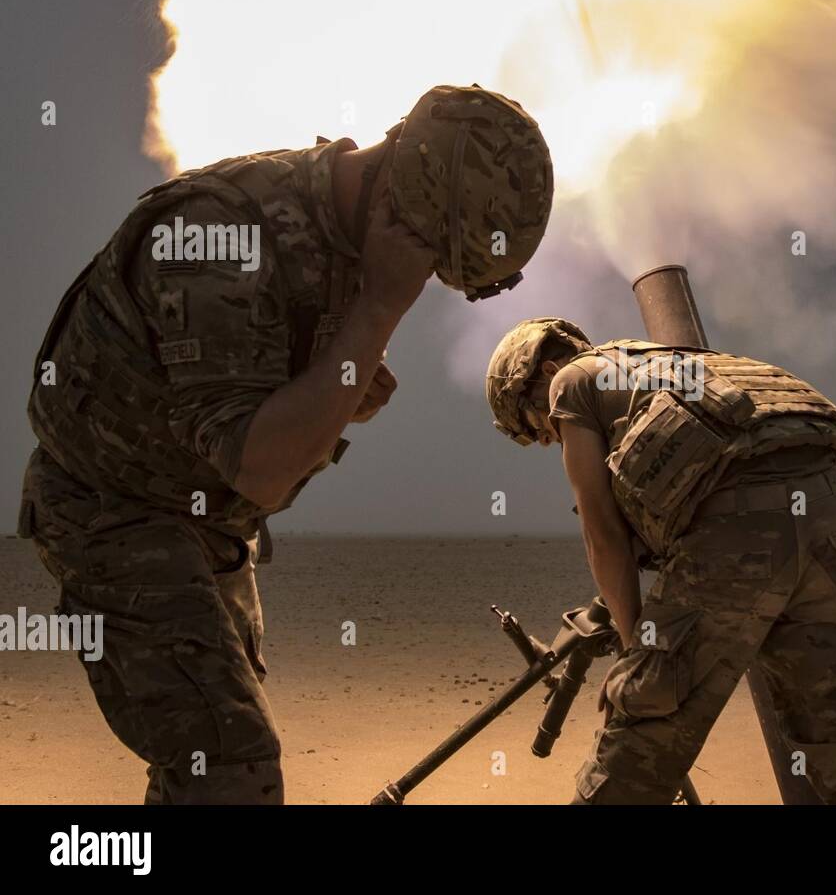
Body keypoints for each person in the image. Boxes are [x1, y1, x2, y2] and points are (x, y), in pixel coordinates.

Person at [19, 84, 553, 803]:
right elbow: (262, 468)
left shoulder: (347, 228)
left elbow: (263, 399)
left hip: (206, 520)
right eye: (427, 259)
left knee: (210, 753)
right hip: (112, 509)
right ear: (402, 201)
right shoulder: (219, 236)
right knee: (231, 762)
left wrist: (336, 384)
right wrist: (375, 315)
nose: (419, 279)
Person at [485, 318, 836, 805]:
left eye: (539, 427)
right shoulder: (687, 366)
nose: (551, 440)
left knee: (641, 741)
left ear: (548, 370)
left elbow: (603, 536)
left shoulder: (572, 383)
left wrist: (639, 650)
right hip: (834, 527)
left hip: (738, 537)